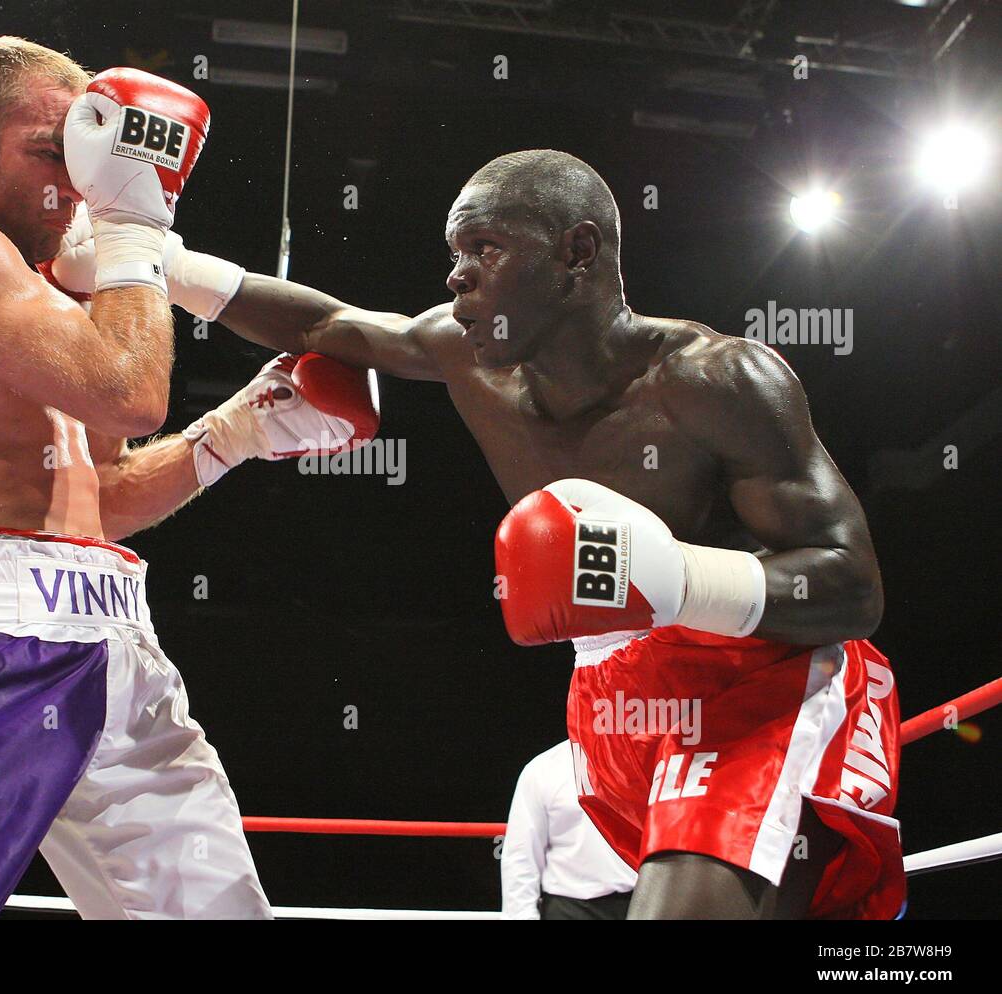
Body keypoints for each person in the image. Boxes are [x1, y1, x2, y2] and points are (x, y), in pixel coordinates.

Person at [154, 148, 905, 919]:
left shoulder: (714, 380)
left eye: (484, 248)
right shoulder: (463, 357)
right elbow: (325, 323)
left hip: (755, 679)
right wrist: (157, 261)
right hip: (610, 694)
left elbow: (854, 585)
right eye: (455, 254)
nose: (456, 276)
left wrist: (677, 577)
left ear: (577, 253)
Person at [0, 37, 376, 920]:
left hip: (114, 645)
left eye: (81, 158)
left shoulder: (49, 289)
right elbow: (132, 392)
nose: (72, 185)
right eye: (42, 153)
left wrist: (239, 429)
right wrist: (137, 227)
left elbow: (97, 500)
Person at [501, 740, 635, 920]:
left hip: (639, 903)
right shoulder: (543, 769)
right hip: (569, 908)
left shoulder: (646, 762)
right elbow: (521, 856)